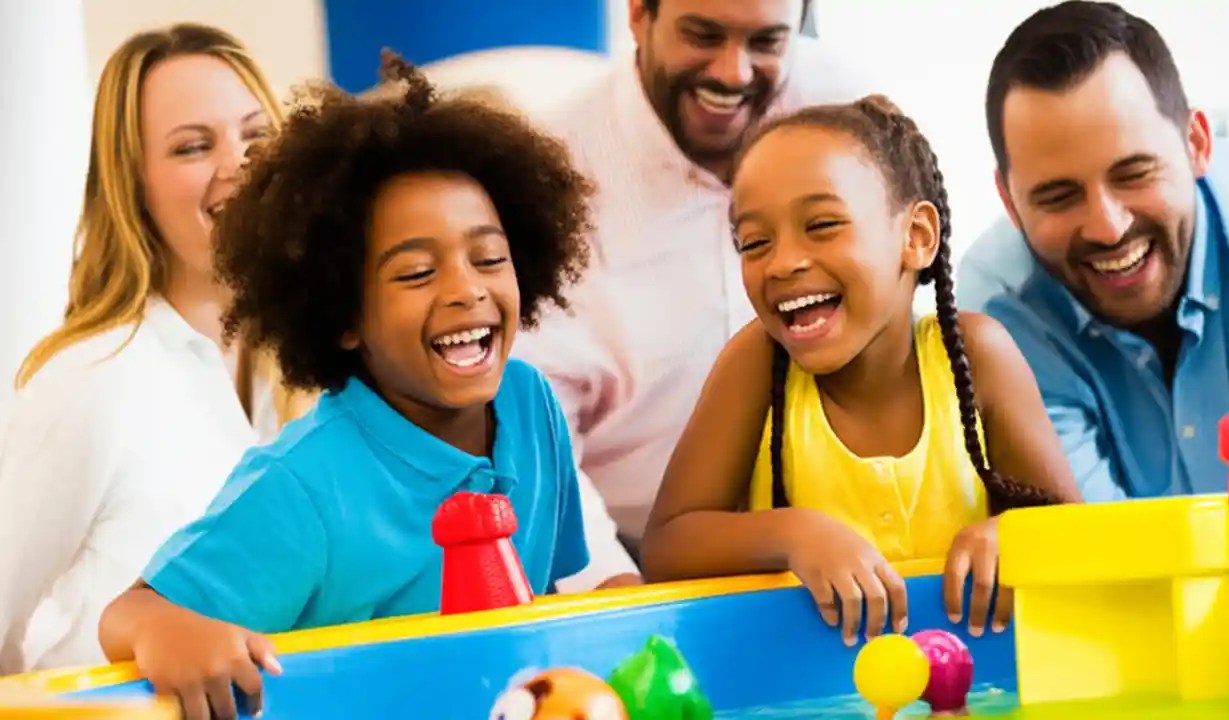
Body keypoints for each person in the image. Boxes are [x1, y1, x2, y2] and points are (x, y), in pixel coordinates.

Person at [98, 53, 594, 719]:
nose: (466, 289)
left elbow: (547, 598)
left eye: (489, 259)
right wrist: (168, 631)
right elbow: (130, 614)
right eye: (417, 273)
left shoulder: (529, 403)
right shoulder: (303, 483)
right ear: (343, 318)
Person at [642, 96, 1082, 646]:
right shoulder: (757, 364)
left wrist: (1012, 534)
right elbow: (665, 548)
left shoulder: (975, 353)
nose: (782, 263)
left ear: (917, 237)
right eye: (754, 242)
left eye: (822, 224)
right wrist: (794, 532)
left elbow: (1071, 530)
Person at [514, 0, 869, 583]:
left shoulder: (846, 113)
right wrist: (611, 588)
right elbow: (533, 424)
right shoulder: (547, 174)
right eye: (703, 35)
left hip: (839, 540)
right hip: (627, 555)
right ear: (637, 15)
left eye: (767, 43)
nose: (734, 72)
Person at [0, 24, 306, 674]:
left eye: (257, 136)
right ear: (131, 189)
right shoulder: (91, 378)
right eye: (193, 146)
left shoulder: (317, 374)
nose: (238, 166)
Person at [956, 1, 1229, 502]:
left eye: (1134, 173)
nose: (1109, 228)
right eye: (1059, 196)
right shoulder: (999, 320)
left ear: (1195, 143)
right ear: (1010, 203)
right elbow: (1099, 543)